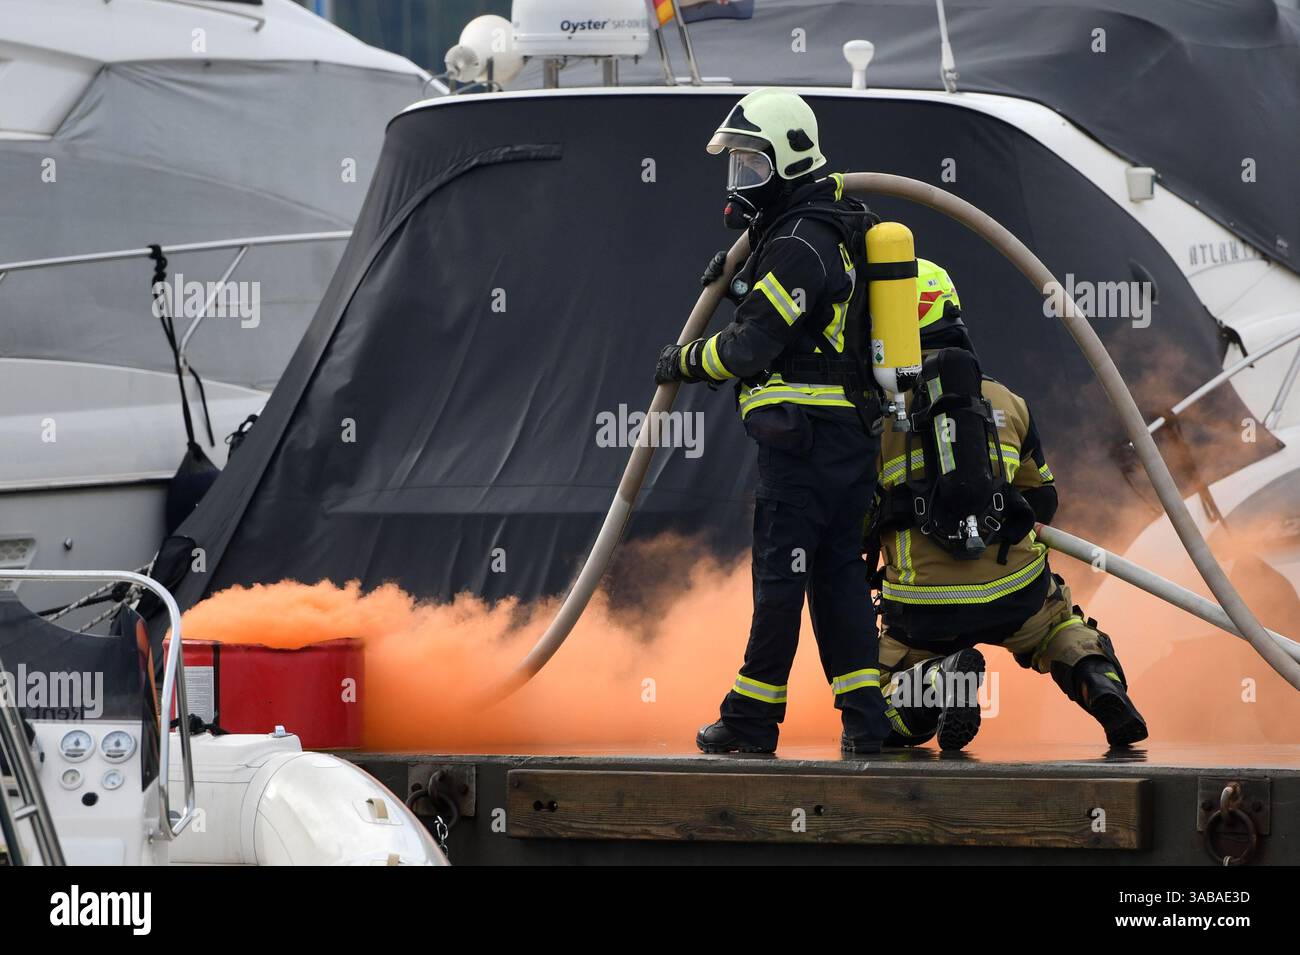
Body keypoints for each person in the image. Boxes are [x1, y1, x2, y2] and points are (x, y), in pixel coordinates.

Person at [655, 88, 893, 755]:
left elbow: (749, 347)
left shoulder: (799, 242)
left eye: (752, 168)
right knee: (838, 577)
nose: (740, 183)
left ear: (789, 163)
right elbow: (804, 323)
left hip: (802, 448)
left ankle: (752, 720)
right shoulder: (821, 231)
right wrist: (735, 282)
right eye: (735, 167)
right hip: (846, 448)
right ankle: (866, 720)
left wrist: (683, 360)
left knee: (781, 580)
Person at [864, 259, 1149, 751]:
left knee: (877, 714)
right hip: (1015, 589)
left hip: (924, 606)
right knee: (1058, 628)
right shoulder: (1007, 401)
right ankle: (1097, 680)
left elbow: (858, 519)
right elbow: (1045, 499)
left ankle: (938, 680)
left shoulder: (874, 416)